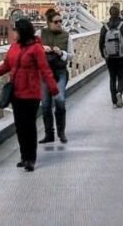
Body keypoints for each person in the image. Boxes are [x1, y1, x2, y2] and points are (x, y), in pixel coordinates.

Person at [0, 18, 60, 171]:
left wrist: (53, 88)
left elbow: (45, 69)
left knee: (29, 126)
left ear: (22, 31)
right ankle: (23, 156)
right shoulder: (14, 47)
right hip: (16, 92)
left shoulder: (36, 48)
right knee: (20, 126)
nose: (13, 33)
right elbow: (7, 64)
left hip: (31, 93)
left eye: (15, 30)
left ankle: (31, 159)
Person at [39, 9, 72, 144]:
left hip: (60, 72)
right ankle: (49, 134)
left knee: (60, 100)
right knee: (46, 105)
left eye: (60, 21)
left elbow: (71, 55)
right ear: (49, 23)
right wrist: (42, 49)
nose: (59, 24)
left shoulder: (67, 36)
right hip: (45, 73)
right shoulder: (40, 34)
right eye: (56, 22)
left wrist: (62, 52)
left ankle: (61, 132)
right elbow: (33, 48)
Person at [98, 6, 123, 108]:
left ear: (109, 13)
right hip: (121, 56)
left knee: (112, 78)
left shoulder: (105, 27)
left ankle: (114, 101)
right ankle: (119, 93)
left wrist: (104, 55)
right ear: (119, 14)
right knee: (121, 77)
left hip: (110, 57)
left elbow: (101, 43)